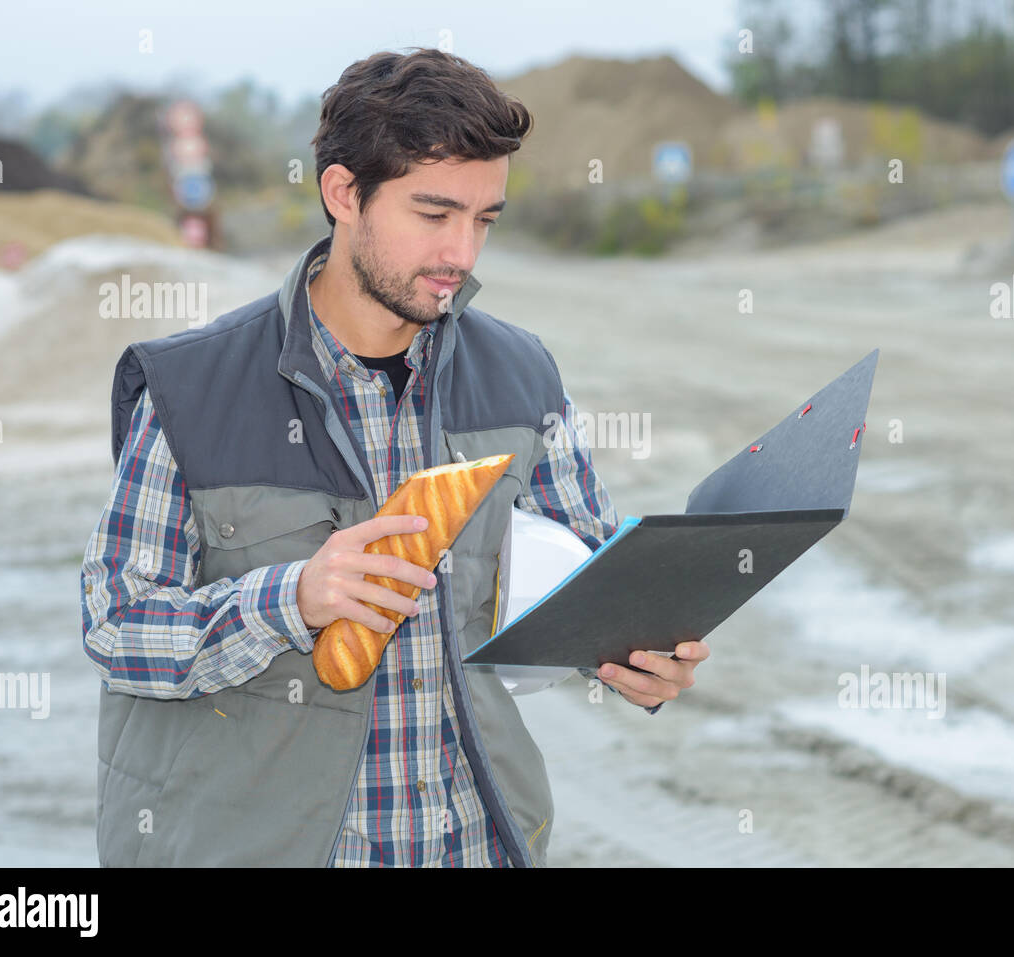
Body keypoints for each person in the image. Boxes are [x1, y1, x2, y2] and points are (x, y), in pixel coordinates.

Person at [79, 47, 709, 868]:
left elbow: (589, 575)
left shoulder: (522, 375)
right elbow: (115, 621)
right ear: (344, 194)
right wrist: (292, 597)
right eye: (434, 213)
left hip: (476, 843)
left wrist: (637, 651)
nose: (463, 254)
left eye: (484, 220)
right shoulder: (192, 386)